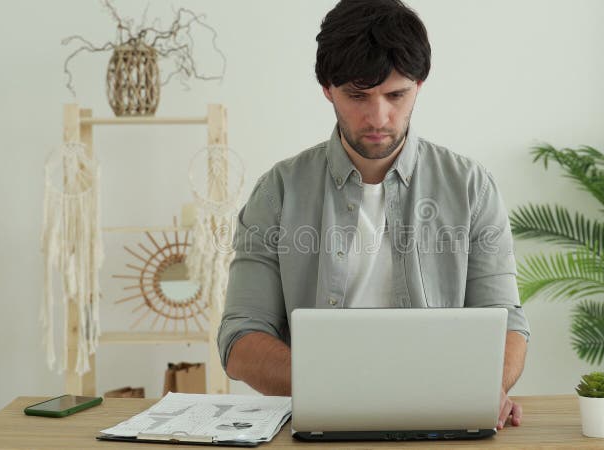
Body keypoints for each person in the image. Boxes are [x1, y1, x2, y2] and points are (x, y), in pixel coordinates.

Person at [217, 0, 530, 430]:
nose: (378, 117)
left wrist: (484, 388)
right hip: (320, 427)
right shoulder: (279, 191)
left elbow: (508, 325)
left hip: (444, 426)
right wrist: (354, 388)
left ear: (420, 84)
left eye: (396, 95)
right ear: (327, 88)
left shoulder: (471, 186)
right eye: (357, 96)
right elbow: (240, 339)